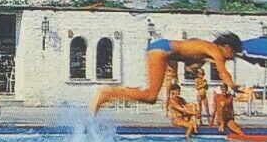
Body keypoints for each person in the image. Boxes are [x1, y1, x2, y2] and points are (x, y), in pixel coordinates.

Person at [92, 33, 243, 117]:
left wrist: (195, 67)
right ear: (227, 47)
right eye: (233, 53)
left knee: (150, 96)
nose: (233, 57)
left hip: (163, 48)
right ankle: (107, 93)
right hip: (163, 51)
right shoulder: (215, 50)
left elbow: (189, 53)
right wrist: (233, 86)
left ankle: (109, 94)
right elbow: (223, 72)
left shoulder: (205, 49)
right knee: (151, 96)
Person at [162, 70, 198, 139]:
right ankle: (188, 140)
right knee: (190, 126)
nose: (178, 92)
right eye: (176, 91)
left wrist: (194, 108)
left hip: (183, 118)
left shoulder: (181, 99)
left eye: (179, 90)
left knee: (193, 105)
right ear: (172, 91)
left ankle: (195, 125)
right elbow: (181, 109)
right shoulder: (171, 101)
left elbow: (187, 106)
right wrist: (194, 113)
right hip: (176, 120)